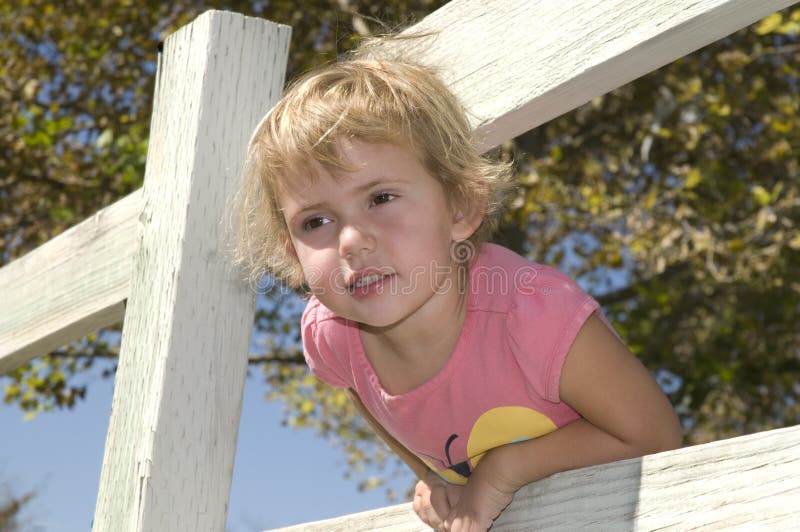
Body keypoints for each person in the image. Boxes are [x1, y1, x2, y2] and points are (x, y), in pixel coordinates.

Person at [237, 49, 682, 531]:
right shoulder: (333, 337)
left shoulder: (531, 314)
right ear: (291, 253)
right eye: (316, 221)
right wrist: (428, 474)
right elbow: (360, 390)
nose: (351, 240)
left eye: (380, 198)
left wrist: (502, 472)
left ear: (461, 207)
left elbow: (656, 436)